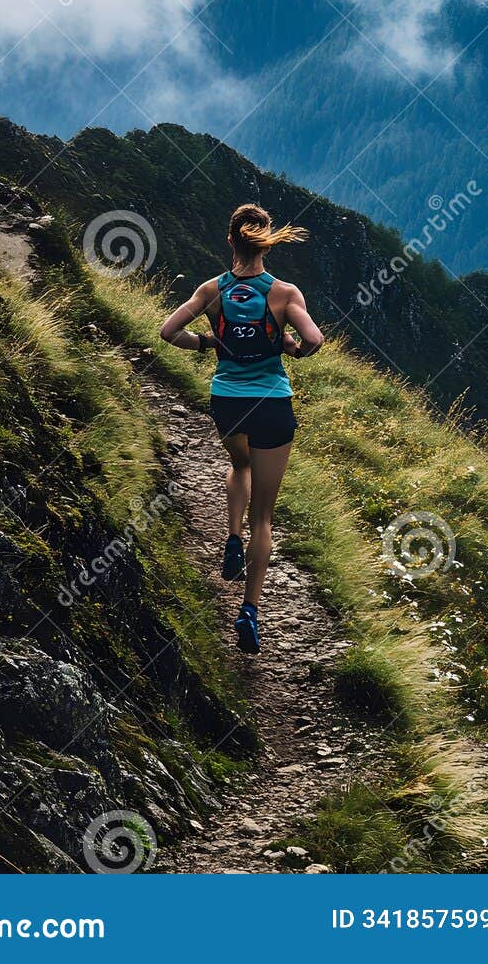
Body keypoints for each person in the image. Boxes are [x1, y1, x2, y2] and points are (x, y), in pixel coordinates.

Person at [159, 203, 324, 654]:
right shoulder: (285, 293)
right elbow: (314, 341)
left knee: (238, 463)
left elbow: (167, 331)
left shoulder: (211, 290)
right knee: (265, 517)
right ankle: (249, 609)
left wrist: (206, 342)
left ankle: (231, 537)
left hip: (228, 400)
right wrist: (290, 350)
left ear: (230, 240)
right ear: (265, 241)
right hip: (272, 402)